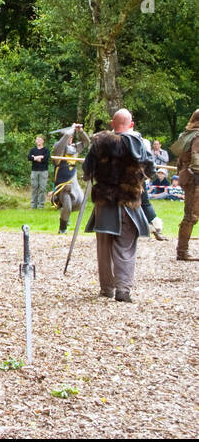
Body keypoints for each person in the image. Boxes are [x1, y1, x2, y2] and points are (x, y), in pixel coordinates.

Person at [82, 109, 154, 303]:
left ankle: (107, 289)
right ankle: (123, 289)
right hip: (128, 201)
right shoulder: (141, 145)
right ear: (131, 125)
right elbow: (151, 170)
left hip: (105, 201)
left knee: (104, 246)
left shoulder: (99, 144)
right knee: (126, 246)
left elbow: (87, 171)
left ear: (112, 124)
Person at [50, 124, 91, 235]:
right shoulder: (58, 148)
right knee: (67, 207)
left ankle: (65, 218)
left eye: (71, 137)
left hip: (74, 182)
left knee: (81, 202)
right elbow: (66, 136)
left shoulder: (74, 148)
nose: (70, 139)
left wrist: (80, 131)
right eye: (68, 137)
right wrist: (71, 129)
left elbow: (87, 142)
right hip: (63, 184)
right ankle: (62, 228)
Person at [173, 108, 199, 262]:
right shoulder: (197, 137)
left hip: (189, 179)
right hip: (195, 181)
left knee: (191, 216)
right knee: (191, 216)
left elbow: (180, 161)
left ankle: (182, 251)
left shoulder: (187, 135)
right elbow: (197, 163)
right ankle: (182, 251)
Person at [28, 135, 50, 210]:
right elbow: (29, 158)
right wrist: (39, 157)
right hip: (34, 171)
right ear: (36, 141)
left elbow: (45, 159)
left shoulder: (46, 150)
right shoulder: (32, 150)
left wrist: (35, 157)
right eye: (37, 140)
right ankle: (33, 206)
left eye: (40, 140)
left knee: (42, 188)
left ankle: (41, 206)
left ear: (43, 141)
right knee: (34, 188)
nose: (39, 141)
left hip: (43, 172)